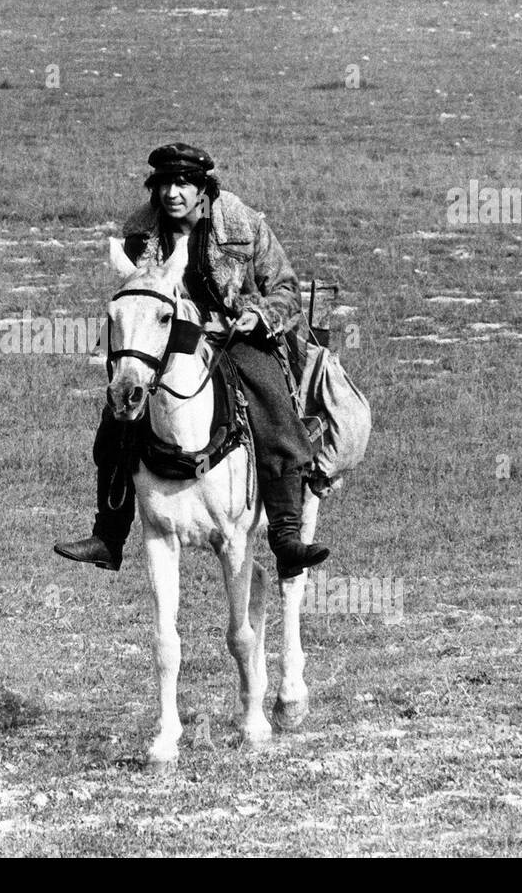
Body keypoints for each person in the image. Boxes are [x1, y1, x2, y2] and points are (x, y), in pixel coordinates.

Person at [54, 142, 330, 577]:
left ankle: (285, 536)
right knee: (116, 421)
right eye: (164, 184)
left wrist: (257, 315)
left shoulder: (242, 222)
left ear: (203, 188)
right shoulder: (140, 232)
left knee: (272, 403)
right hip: (171, 337)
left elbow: (285, 288)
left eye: (183, 183)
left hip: (235, 335)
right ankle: (108, 535)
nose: (172, 193)